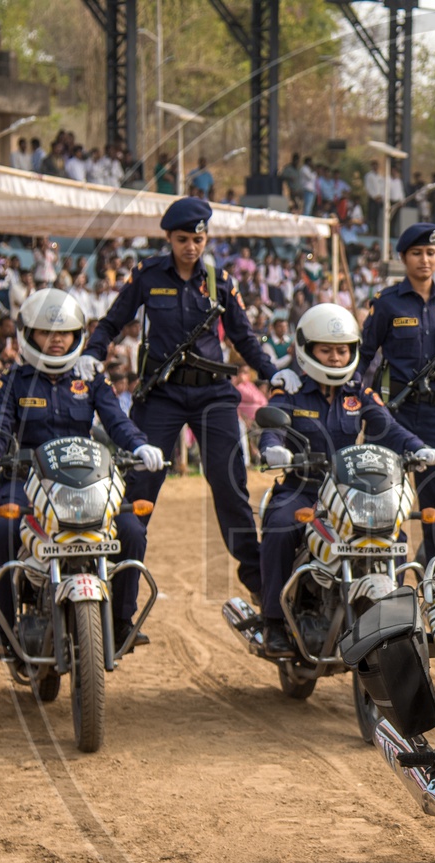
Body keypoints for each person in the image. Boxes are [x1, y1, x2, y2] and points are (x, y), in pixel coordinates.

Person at [84, 197, 279, 636]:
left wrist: (272, 372)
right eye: (182, 239)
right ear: (168, 239)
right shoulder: (148, 276)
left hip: (214, 397)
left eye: (198, 238)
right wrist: (93, 353)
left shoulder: (220, 281)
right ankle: (118, 611)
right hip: (162, 396)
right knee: (139, 495)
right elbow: (113, 320)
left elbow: (245, 339)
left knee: (232, 492)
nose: (191, 246)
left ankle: (266, 595)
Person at [0, 289, 165, 657]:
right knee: (1, 527)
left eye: (66, 333)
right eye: (46, 332)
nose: (57, 340)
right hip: (25, 480)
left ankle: (122, 621)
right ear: (28, 334)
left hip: (85, 481)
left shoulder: (89, 378)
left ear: (77, 336)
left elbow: (116, 420)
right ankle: (1, 628)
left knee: (132, 530)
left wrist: (139, 445)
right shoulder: (11, 381)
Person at [255, 303, 435, 655]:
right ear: (307, 350)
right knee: (279, 526)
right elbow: (272, 428)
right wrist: (273, 448)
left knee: (393, 533)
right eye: (327, 350)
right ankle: (274, 623)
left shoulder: (358, 393)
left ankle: (392, 615)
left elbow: (389, 428)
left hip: (347, 493)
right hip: (301, 489)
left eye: (342, 350)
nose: (337, 357)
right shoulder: (290, 391)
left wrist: (420, 449)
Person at [357, 223, 435, 564]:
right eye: (417, 253)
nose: (425, 260)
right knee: (387, 505)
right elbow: (363, 357)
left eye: (431, 252)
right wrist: (363, 395)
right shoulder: (386, 303)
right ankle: (388, 578)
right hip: (395, 416)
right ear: (403, 257)